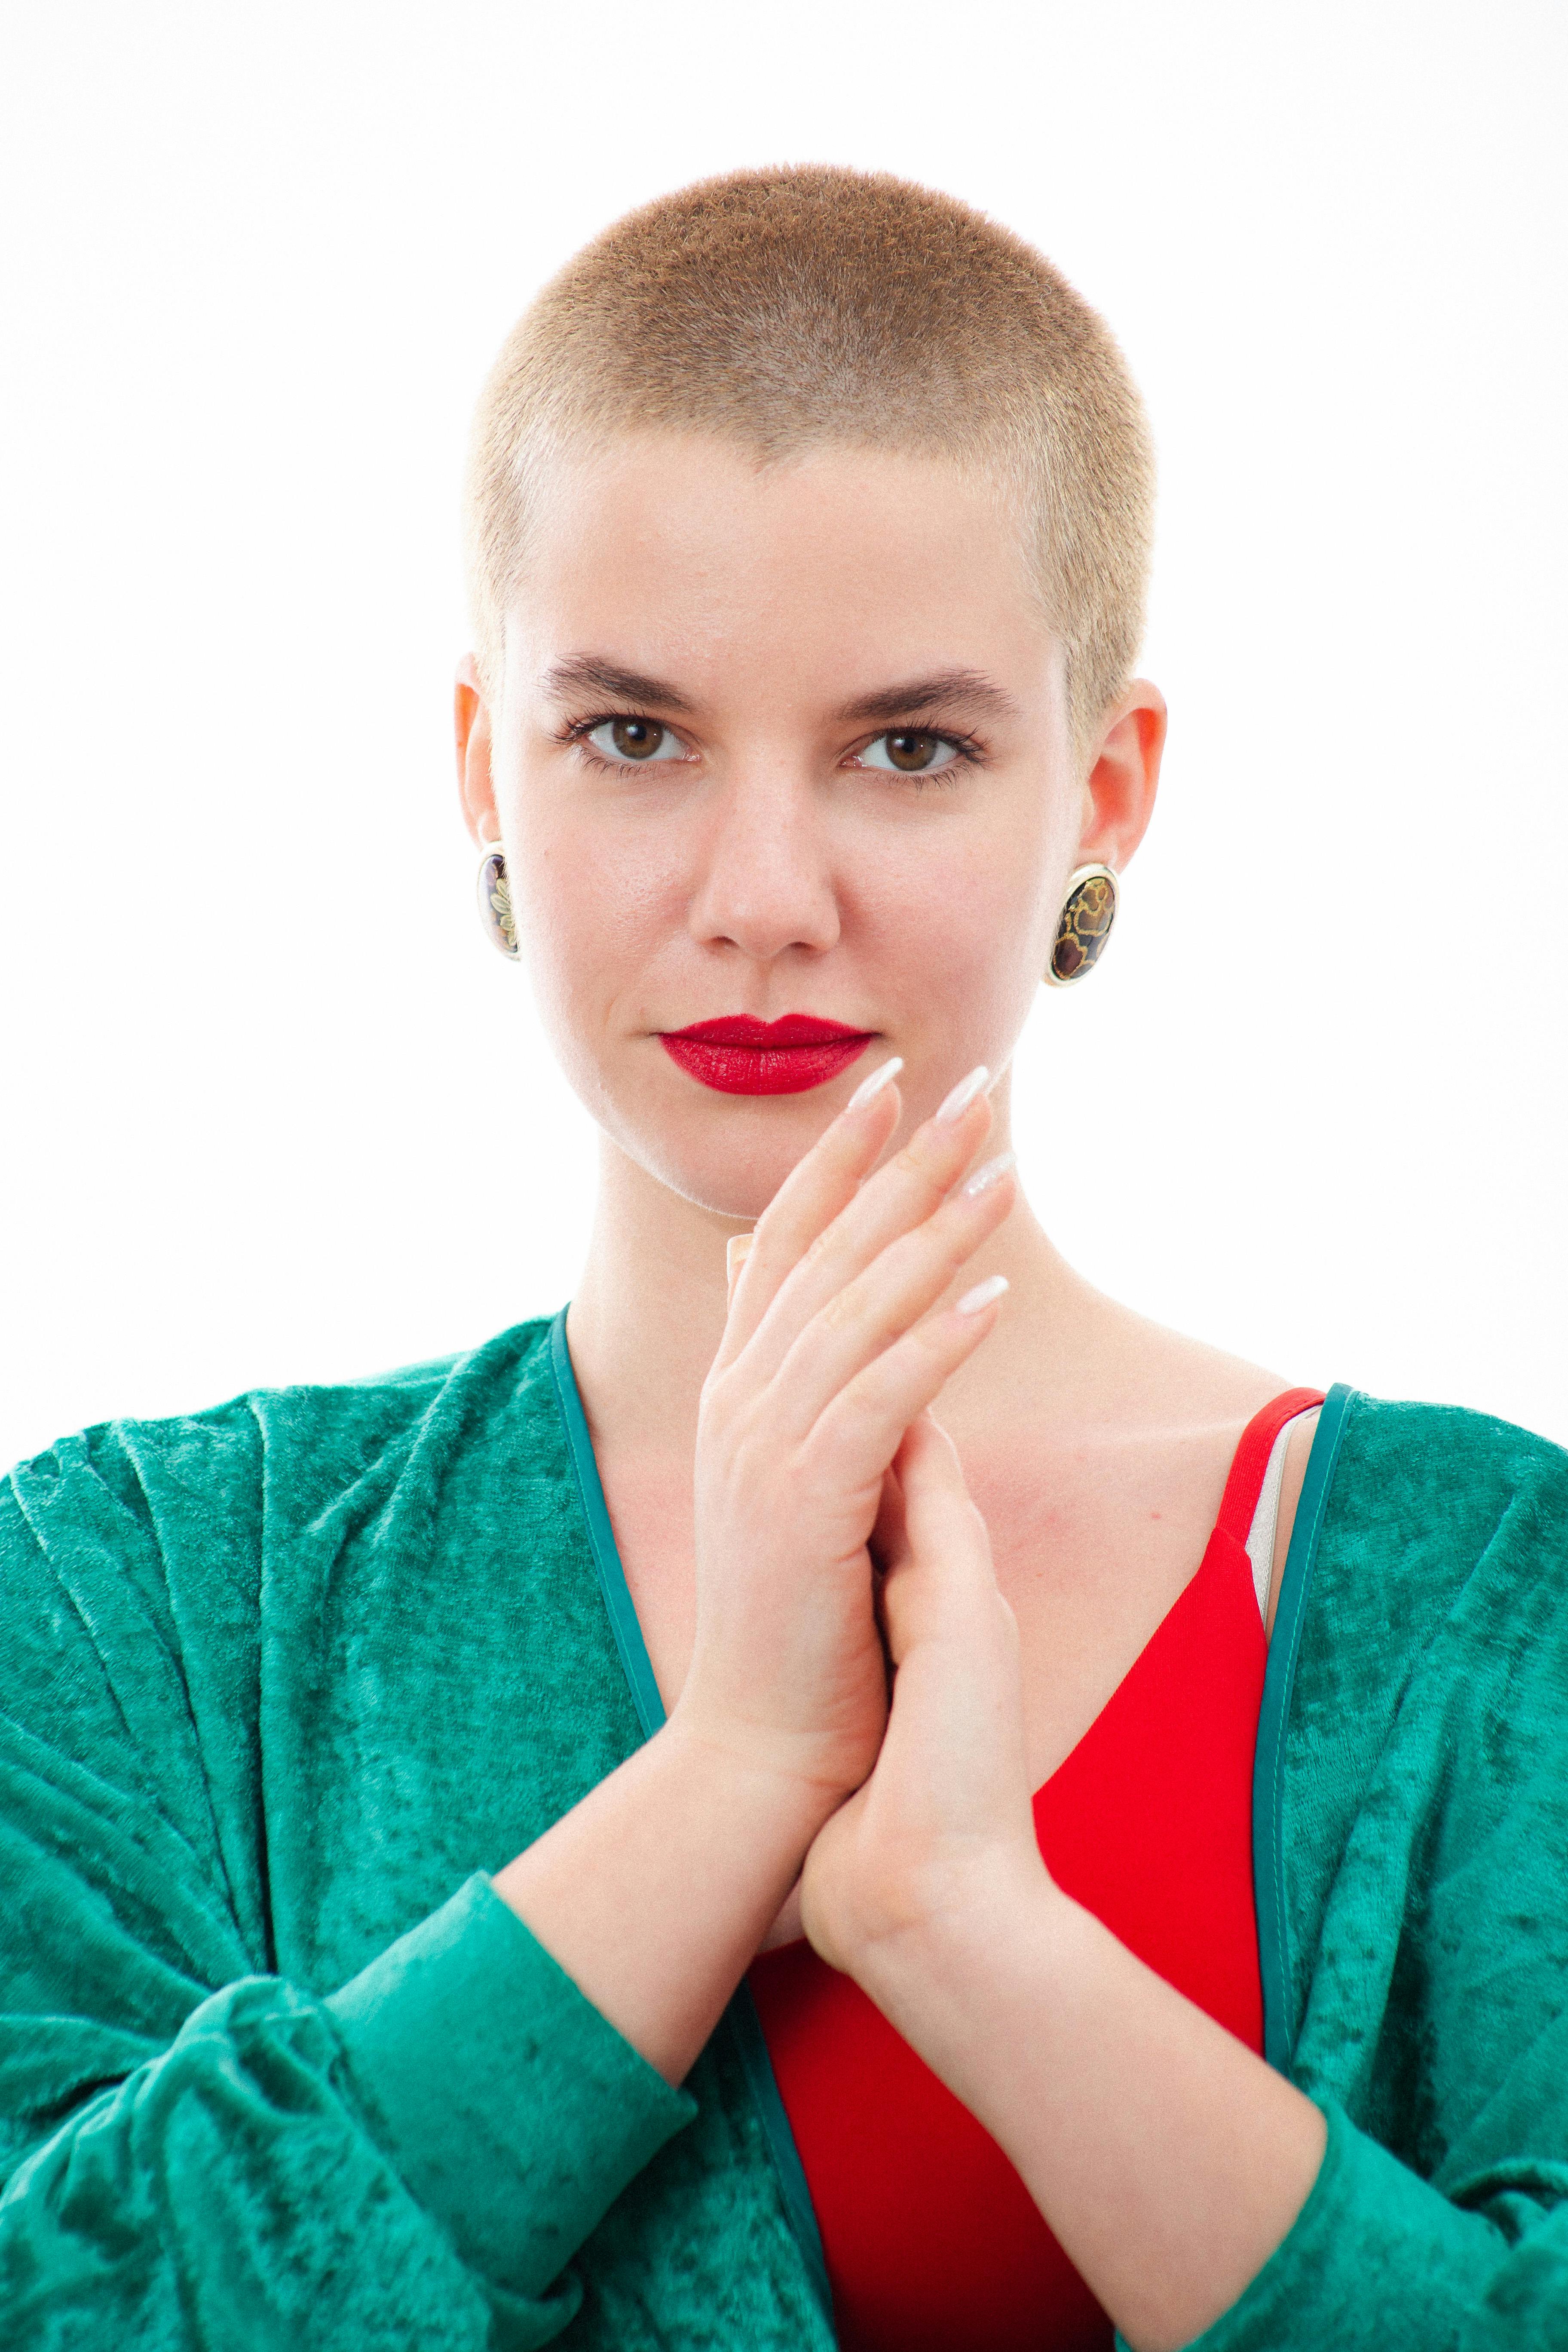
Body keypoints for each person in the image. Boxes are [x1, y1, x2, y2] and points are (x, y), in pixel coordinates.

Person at [2, 164, 1565, 2352]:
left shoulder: (1493, 1592)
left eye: (908, 748)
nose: (762, 894)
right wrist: (729, 1776)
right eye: (632, 735)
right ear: (485, 763)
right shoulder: (132, 1593)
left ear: (1106, 791)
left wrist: (978, 1941)